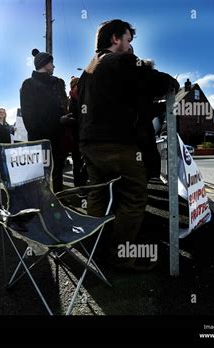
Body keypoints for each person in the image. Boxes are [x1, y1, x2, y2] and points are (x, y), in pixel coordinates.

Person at [78, 19, 179, 271]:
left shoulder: (87, 71)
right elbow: (156, 80)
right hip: (117, 142)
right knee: (134, 195)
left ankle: (94, 245)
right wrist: (173, 85)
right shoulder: (120, 60)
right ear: (115, 39)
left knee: (98, 193)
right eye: (128, 39)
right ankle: (120, 255)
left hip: (90, 143)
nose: (129, 45)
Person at [20, 48, 70, 192]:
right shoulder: (28, 84)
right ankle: (41, 204)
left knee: (58, 169)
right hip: (39, 138)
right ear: (44, 63)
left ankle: (60, 200)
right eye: (51, 63)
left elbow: (62, 106)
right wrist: (55, 123)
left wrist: (64, 119)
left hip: (59, 136)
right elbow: (29, 116)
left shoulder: (57, 82)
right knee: (40, 172)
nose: (54, 66)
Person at [67, 76, 87, 187]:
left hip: (85, 135)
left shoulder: (83, 98)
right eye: (78, 85)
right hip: (75, 137)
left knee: (88, 161)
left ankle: (82, 182)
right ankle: (79, 186)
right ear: (73, 86)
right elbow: (73, 118)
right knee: (77, 163)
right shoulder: (71, 101)